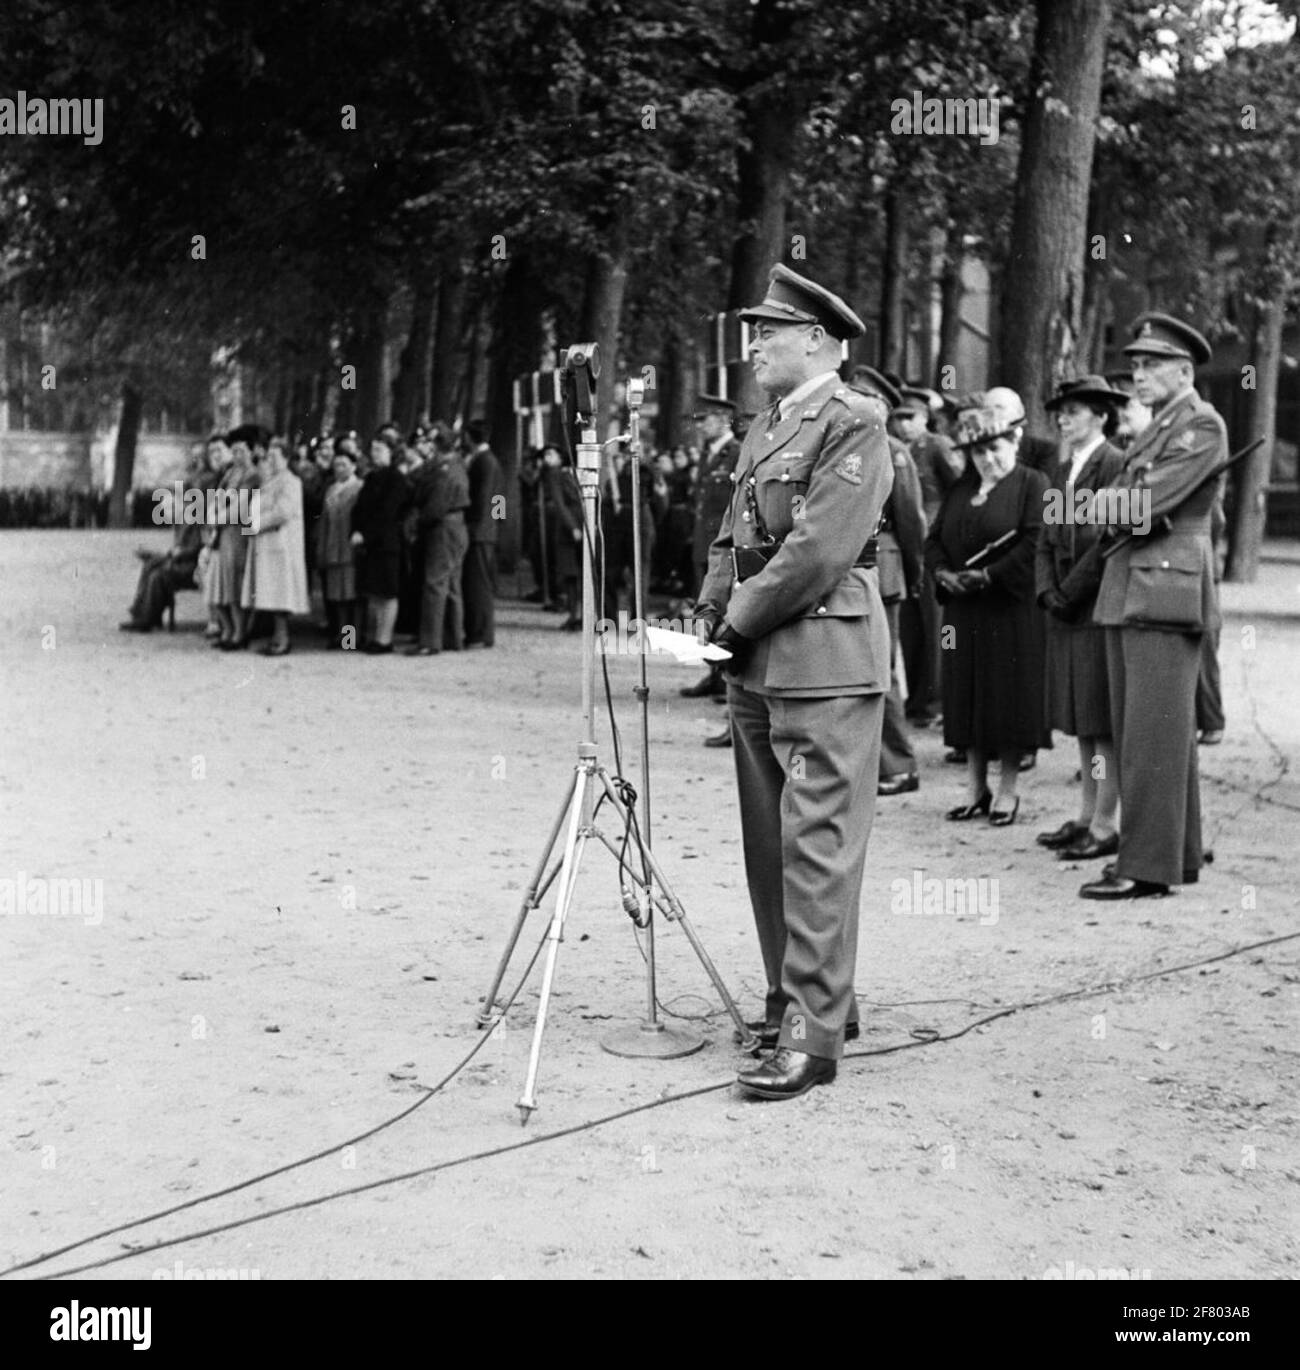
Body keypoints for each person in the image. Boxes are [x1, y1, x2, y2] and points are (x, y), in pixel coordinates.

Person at [695, 264, 893, 1101]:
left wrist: (737, 619)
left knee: (816, 846)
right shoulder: (771, 423)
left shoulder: (854, 420)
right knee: (770, 844)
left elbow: (817, 549)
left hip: (822, 659)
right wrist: (710, 611)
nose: (752, 348)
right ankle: (799, 999)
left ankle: (813, 1036)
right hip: (759, 659)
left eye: (766, 333)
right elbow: (734, 530)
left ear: (816, 340)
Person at [1080, 313, 1226, 900]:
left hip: (1163, 589)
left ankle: (1144, 866)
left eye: (1151, 365)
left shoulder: (1200, 425)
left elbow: (1136, 503)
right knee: (1148, 730)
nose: (1137, 376)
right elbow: (1124, 500)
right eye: (1135, 365)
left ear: (1184, 370)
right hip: (1137, 584)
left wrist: (1103, 503)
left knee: (1151, 736)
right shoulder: (1162, 426)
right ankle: (1175, 856)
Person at [925, 393, 1048, 827]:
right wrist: (942, 573)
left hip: (1009, 610)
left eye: (996, 448)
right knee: (967, 696)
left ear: (1014, 442)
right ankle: (975, 788)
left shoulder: (1033, 485)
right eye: (979, 451)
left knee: (1006, 697)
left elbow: (1035, 543)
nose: (988, 458)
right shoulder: (962, 489)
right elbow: (935, 539)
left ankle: (1009, 790)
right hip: (963, 611)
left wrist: (989, 576)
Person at [1034, 376, 1129, 860]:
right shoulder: (1063, 465)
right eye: (1061, 412)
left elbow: (1109, 539)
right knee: (1082, 720)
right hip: (1065, 607)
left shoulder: (1114, 463)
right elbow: (1047, 534)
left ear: (1100, 416)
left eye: (1073, 411)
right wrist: (1046, 587)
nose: (1063, 419)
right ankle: (1087, 814)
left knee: (1101, 720)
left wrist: (1070, 590)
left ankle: (1106, 823)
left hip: (1091, 605)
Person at [849, 368, 926, 795]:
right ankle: (871, 763)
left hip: (884, 570)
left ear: (881, 407)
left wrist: (913, 576)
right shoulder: (844, 443)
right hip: (851, 569)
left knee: (880, 670)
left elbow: (912, 522)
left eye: (863, 397)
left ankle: (900, 765)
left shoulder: (893, 451)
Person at [892, 386, 961, 729]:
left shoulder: (938, 445)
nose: (903, 425)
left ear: (926, 418)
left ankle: (936, 701)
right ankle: (917, 699)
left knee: (936, 625)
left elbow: (959, 489)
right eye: (899, 418)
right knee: (912, 627)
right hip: (909, 546)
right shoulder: (898, 450)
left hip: (935, 545)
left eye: (911, 417)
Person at [680, 394, 742, 741]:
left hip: (724, 550)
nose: (700, 426)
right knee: (702, 610)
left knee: (723, 615)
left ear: (722, 420)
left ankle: (725, 677)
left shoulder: (736, 453)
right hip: (705, 547)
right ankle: (714, 673)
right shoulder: (708, 455)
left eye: (705, 420)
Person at [119, 440, 220, 633]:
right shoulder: (186, 514)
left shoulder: (199, 513)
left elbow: (197, 547)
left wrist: (176, 553)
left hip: (191, 563)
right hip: (182, 559)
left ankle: (145, 617)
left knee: (156, 572)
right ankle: (144, 615)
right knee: (151, 565)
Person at [240, 436, 310, 655]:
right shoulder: (269, 482)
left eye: (275, 457)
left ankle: (283, 640)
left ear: (287, 458)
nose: (270, 461)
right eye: (268, 456)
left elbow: (283, 512)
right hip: (266, 545)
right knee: (271, 592)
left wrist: (256, 524)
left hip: (282, 545)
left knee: (281, 593)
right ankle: (275, 637)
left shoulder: (290, 482)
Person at [408, 422, 470, 655]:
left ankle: (430, 642)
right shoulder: (455, 465)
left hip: (443, 527)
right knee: (452, 585)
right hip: (456, 525)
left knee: (434, 584)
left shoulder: (444, 469)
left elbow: (434, 506)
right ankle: (453, 637)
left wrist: (418, 522)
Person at [351, 432, 412, 654]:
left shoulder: (396, 479)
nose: (374, 454)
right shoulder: (372, 477)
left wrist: (366, 534)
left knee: (387, 592)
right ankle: (376, 636)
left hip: (387, 543)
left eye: (379, 450)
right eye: (373, 449)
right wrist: (356, 529)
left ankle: (384, 639)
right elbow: (359, 508)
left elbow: (388, 512)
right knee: (374, 592)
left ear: (391, 452)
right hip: (371, 543)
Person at [209, 425, 266, 650]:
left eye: (242, 451)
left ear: (252, 451)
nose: (237, 456)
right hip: (225, 532)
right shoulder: (231, 473)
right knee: (224, 580)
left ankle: (240, 632)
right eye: (234, 451)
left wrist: (216, 518)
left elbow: (240, 508)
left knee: (236, 580)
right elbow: (217, 498)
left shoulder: (253, 475)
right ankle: (229, 628)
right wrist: (213, 513)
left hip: (240, 532)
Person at [462, 421, 505, 648]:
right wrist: (497, 522)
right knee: (481, 582)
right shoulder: (491, 461)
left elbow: (483, 497)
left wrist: (475, 523)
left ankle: (480, 633)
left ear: (469, 437)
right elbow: (499, 498)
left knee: (477, 584)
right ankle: (482, 632)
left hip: (479, 531)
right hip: (487, 529)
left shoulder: (483, 462)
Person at [317, 446, 364, 647]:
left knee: (352, 596)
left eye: (344, 464)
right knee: (338, 597)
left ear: (353, 466)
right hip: (333, 548)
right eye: (336, 465)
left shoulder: (360, 487)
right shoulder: (330, 489)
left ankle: (352, 638)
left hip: (350, 548)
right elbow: (324, 521)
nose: (339, 468)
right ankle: (342, 635)